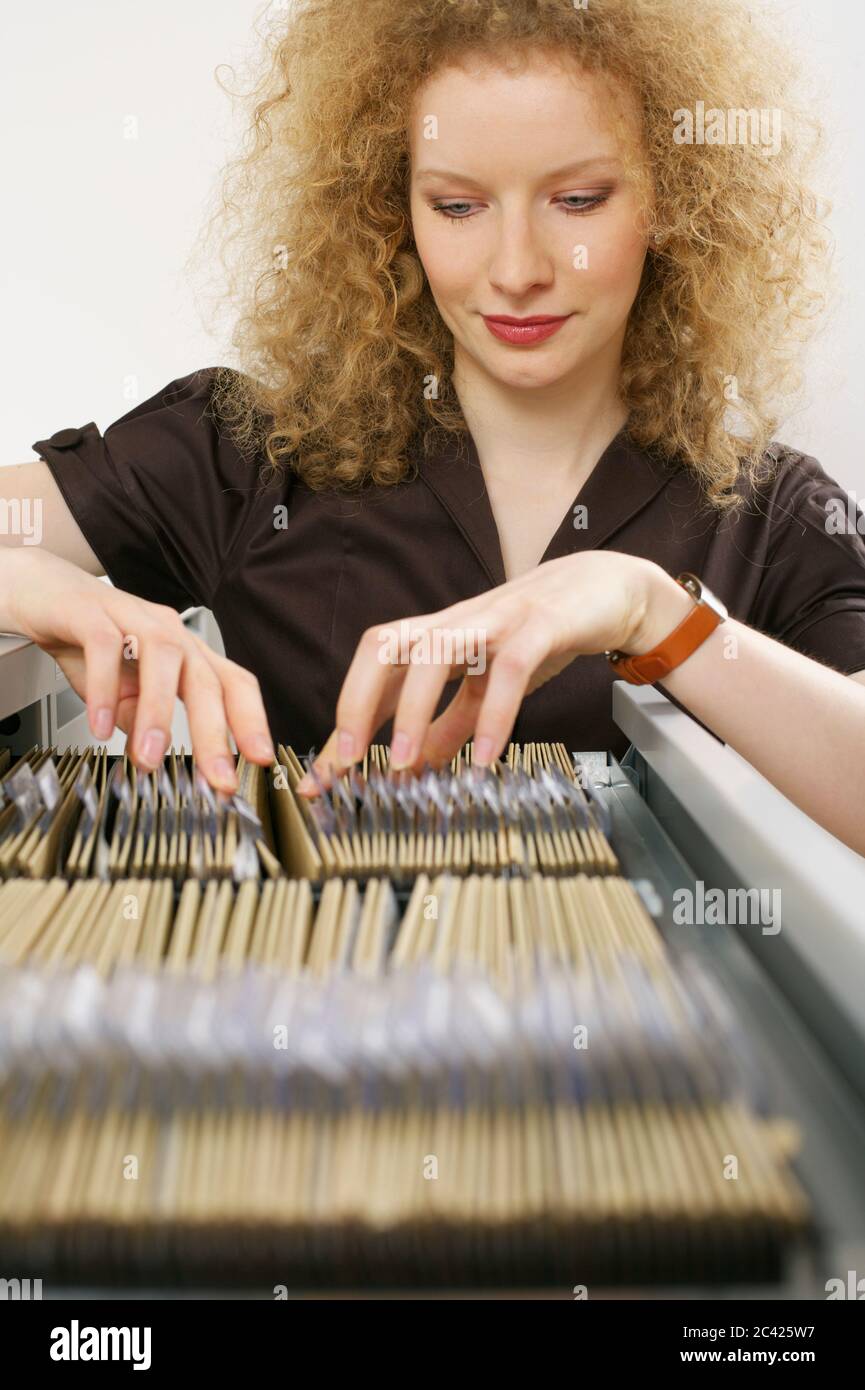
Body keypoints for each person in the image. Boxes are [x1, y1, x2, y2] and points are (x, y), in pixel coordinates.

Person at [3, 0, 865, 855]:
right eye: (457, 207)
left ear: (676, 202)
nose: (518, 270)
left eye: (578, 198)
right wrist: (38, 586)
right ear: (390, 210)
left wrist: (650, 614)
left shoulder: (774, 515)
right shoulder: (245, 452)